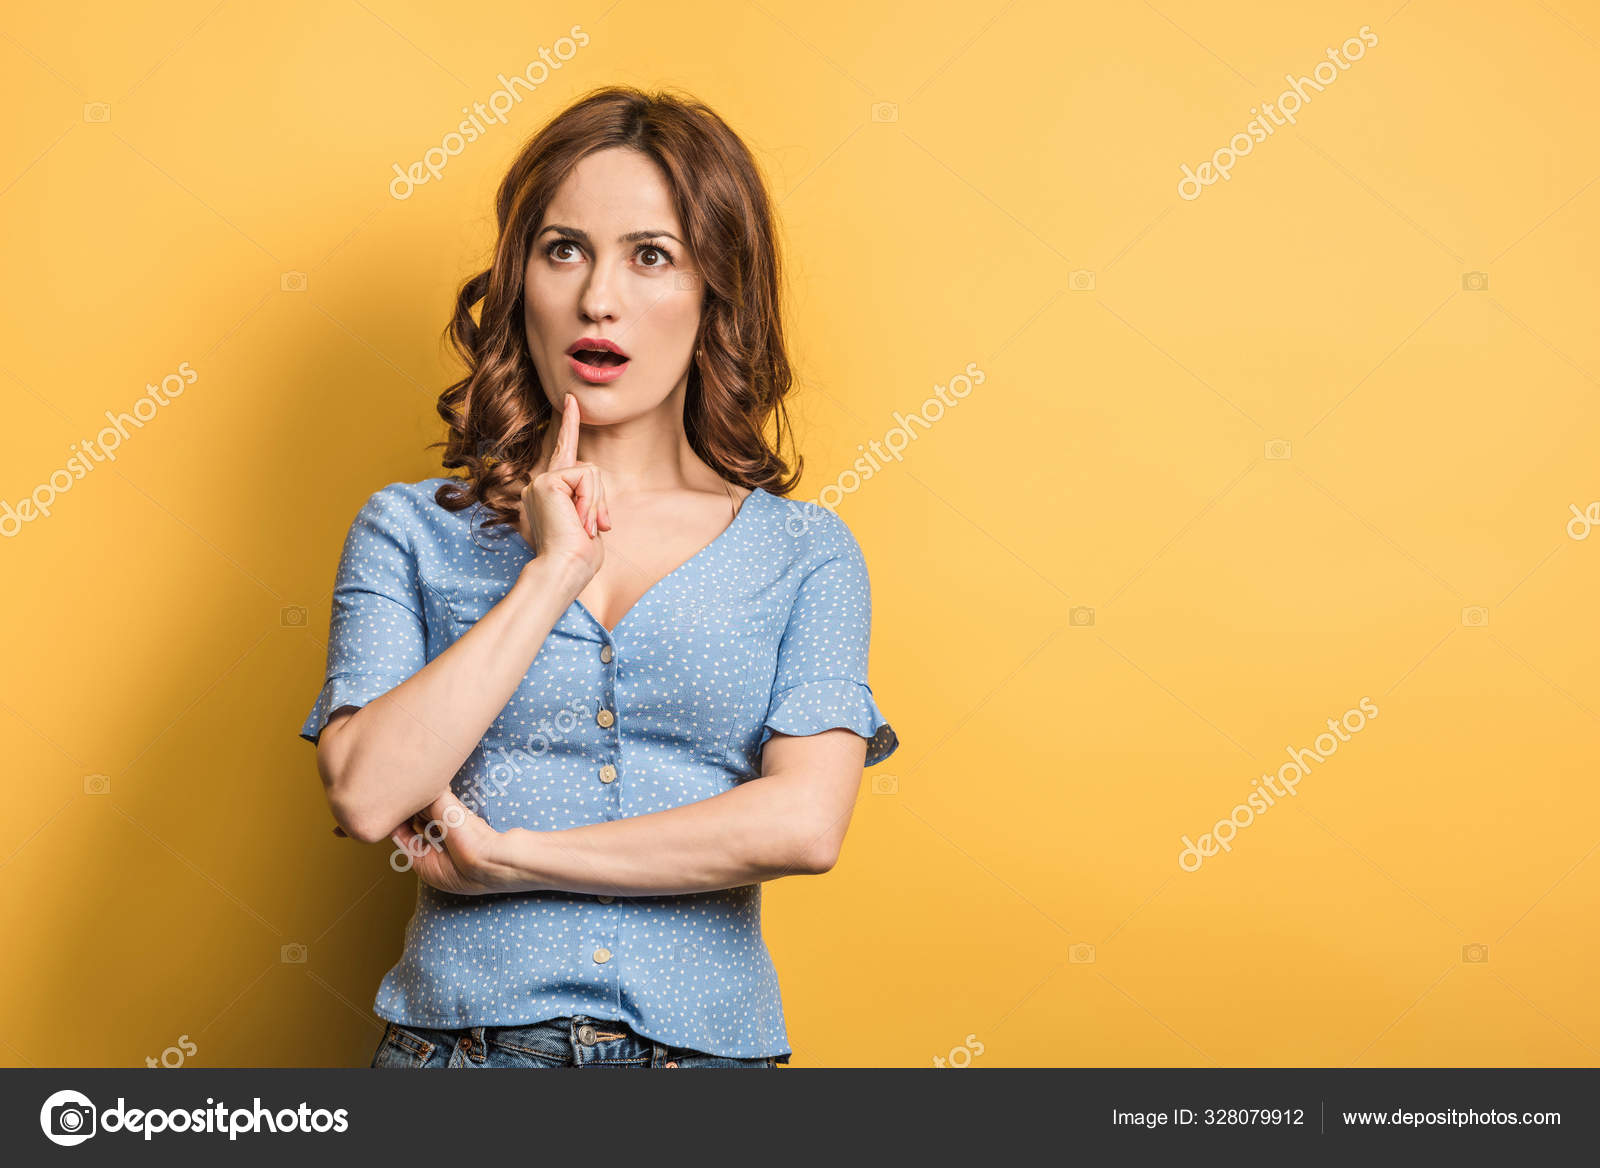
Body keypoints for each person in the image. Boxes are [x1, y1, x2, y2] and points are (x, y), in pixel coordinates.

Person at [298, 86, 897, 1069]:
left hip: (706, 1061)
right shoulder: (408, 529)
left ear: (715, 294)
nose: (597, 298)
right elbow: (367, 793)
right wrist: (550, 574)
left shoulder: (804, 550)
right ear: (519, 277)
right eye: (563, 249)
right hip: (459, 1055)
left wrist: (514, 857)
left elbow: (802, 821)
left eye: (650, 255)